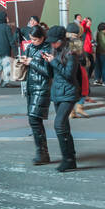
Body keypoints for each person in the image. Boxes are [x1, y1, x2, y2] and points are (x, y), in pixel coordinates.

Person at [42, 25, 80, 170]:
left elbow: (69, 74)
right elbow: (53, 74)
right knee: (64, 126)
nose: (52, 44)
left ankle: (68, 159)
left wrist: (54, 62)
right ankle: (71, 158)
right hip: (57, 92)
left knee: (59, 124)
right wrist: (47, 62)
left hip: (69, 93)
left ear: (62, 40)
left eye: (54, 41)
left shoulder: (71, 53)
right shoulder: (54, 50)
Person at [15, 24, 53, 164]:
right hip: (31, 87)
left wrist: (31, 63)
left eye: (35, 39)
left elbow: (48, 72)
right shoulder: (30, 47)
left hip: (42, 87)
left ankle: (42, 153)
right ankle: (42, 153)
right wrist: (24, 61)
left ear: (42, 38)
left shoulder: (48, 49)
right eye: (31, 39)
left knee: (34, 119)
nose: (32, 42)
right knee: (34, 120)